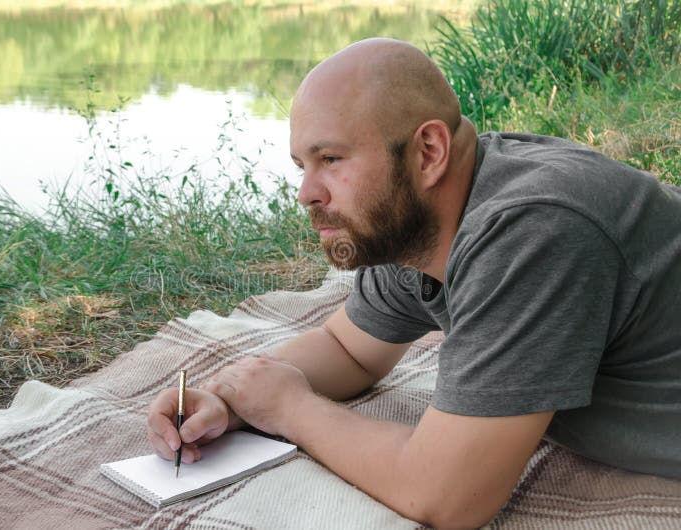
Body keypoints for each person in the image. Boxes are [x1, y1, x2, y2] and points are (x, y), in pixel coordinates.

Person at [147, 38, 681, 528]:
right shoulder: (420, 217)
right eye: (302, 165)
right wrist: (232, 400)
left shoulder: (533, 231)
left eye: (330, 159)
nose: (306, 193)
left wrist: (292, 408)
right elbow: (348, 349)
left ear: (428, 152)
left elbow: (447, 493)